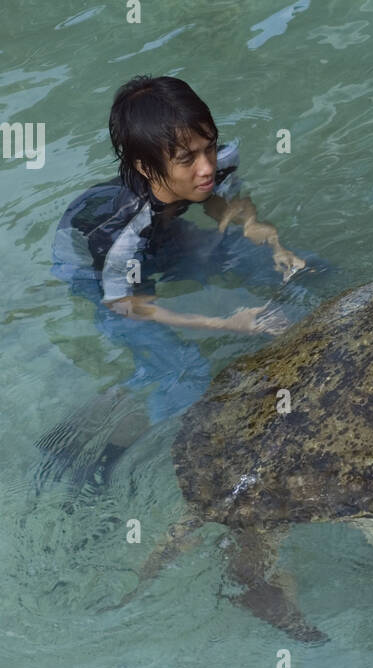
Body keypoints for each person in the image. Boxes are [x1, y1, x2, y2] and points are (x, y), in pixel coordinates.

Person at [43, 75, 308, 485]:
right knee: (184, 371)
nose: (206, 168)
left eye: (210, 148)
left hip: (166, 233)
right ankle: (97, 461)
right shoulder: (120, 233)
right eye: (188, 159)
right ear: (145, 166)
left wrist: (271, 242)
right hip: (96, 268)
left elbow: (230, 203)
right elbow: (127, 303)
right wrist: (226, 322)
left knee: (306, 270)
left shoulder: (210, 166)